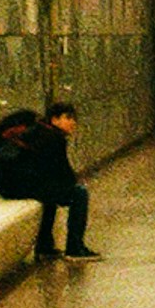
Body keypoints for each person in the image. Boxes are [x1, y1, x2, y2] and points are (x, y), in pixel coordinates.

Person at [26, 97, 97, 259]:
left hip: (23, 185)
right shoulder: (54, 138)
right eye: (68, 118)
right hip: (32, 186)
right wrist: (74, 183)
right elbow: (62, 170)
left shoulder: (39, 131)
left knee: (50, 196)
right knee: (79, 194)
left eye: (74, 119)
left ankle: (44, 247)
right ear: (54, 119)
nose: (73, 123)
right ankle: (75, 247)